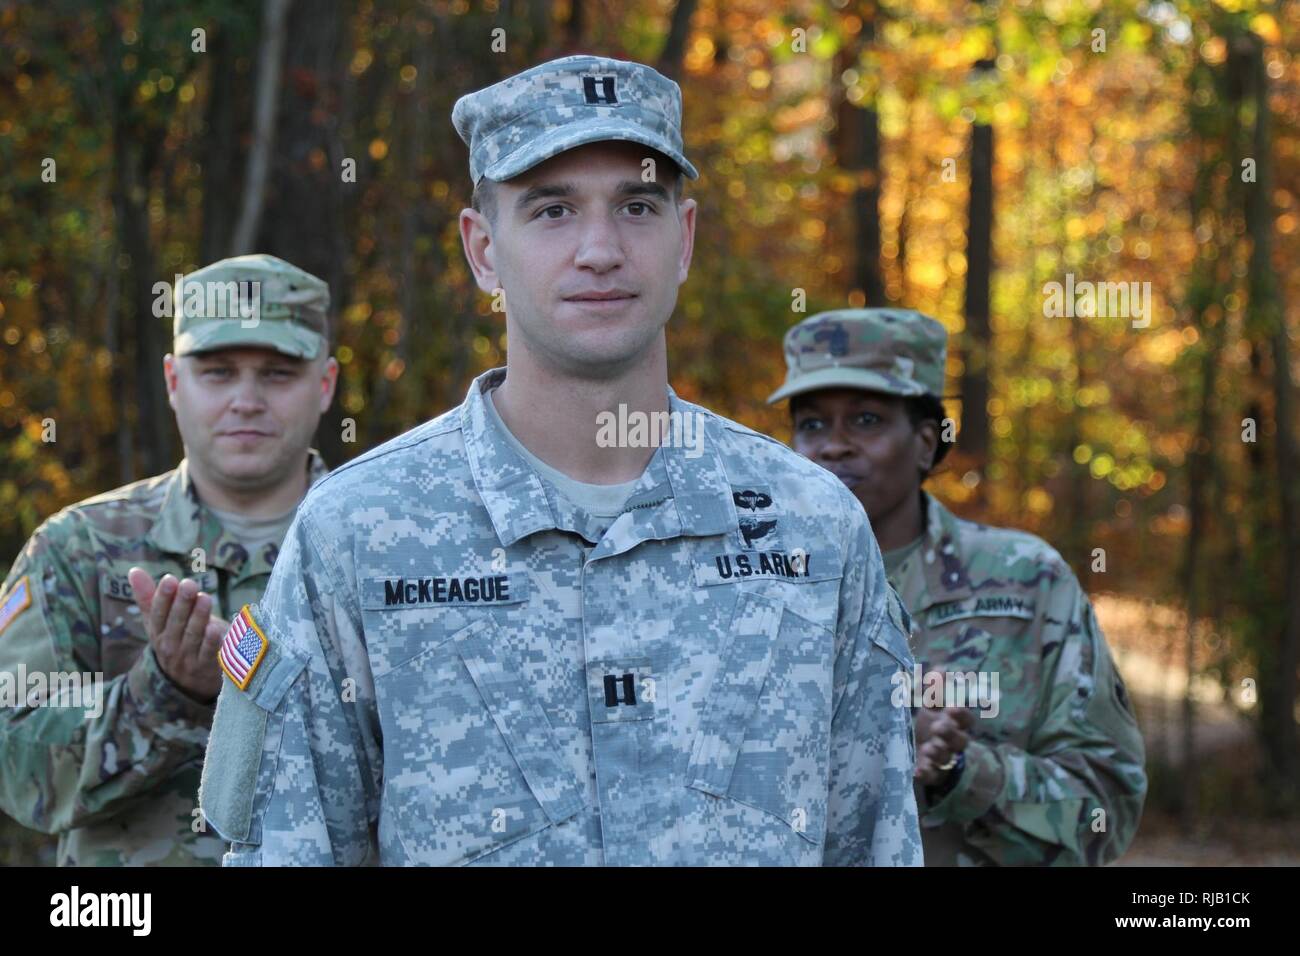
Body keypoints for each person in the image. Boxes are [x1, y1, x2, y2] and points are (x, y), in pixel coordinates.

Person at [198, 55, 920, 867]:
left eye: (637, 206)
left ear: (683, 239)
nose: (600, 250)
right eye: (552, 210)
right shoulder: (359, 535)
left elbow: (877, 844)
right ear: (483, 251)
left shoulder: (812, 529)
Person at [771, 307, 1147, 865]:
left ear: (926, 442)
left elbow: (1106, 809)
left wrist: (959, 771)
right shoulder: (750, 586)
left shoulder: (1026, 581)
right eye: (812, 424)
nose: (834, 446)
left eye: (866, 420)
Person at [0, 254, 337, 865]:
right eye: (218, 372)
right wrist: (163, 690)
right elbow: (14, 765)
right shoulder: (77, 550)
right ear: (174, 381)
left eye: (278, 373)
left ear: (325, 384)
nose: (246, 400)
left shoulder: (381, 546)